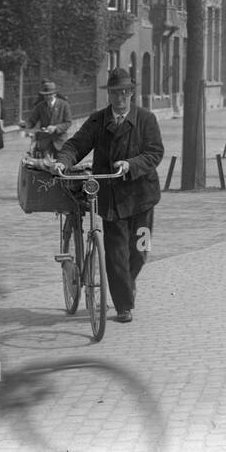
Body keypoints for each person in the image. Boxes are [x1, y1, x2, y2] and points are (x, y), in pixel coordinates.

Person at [53, 69, 163, 324]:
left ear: (132, 93)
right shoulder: (98, 121)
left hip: (143, 197)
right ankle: (124, 305)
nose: (120, 97)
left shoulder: (146, 119)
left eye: (125, 92)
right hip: (112, 198)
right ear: (109, 95)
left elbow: (155, 152)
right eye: (115, 93)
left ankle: (126, 284)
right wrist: (62, 162)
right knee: (115, 255)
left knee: (141, 250)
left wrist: (131, 164)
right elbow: (75, 145)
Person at [20, 79, 72, 159]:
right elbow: (32, 121)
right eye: (45, 95)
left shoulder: (64, 105)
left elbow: (68, 122)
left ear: (54, 94)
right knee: (44, 165)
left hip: (60, 141)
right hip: (45, 141)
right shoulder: (40, 106)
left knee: (60, 164)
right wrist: (25, 124)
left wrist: (56, 128)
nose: (47, 97)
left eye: (49, 94)